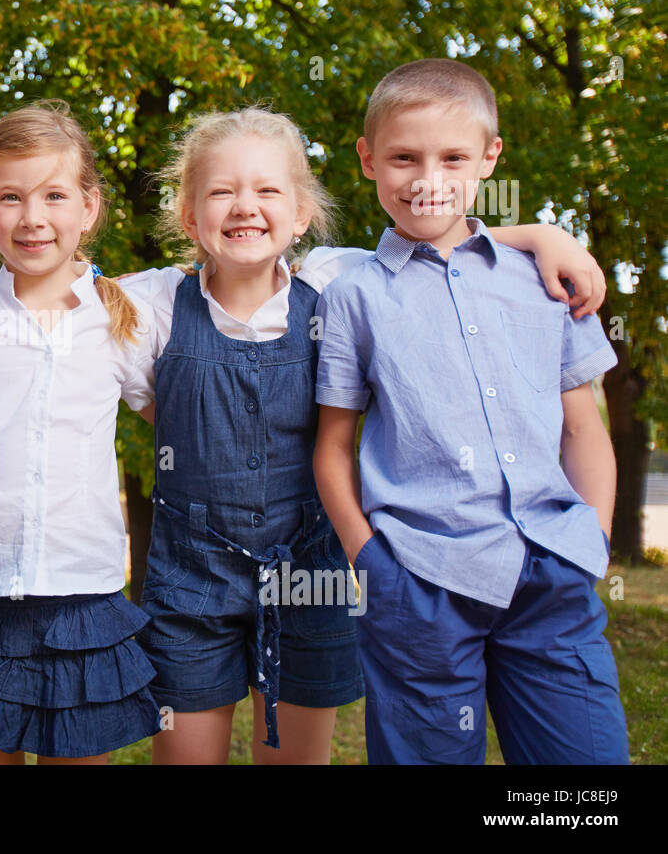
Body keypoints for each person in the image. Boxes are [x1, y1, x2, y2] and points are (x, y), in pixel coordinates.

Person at [121, 105, 606, 764]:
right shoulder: (146, 306)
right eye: (220, 192)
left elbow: (443, 237)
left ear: (301, 214)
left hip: (310, 569)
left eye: (268, 190)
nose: (244, 206)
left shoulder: (340, 280)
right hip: (192, 579)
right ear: (188, 214)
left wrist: (542, 234)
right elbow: (62, 300)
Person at [314, 58, 628, 764]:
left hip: (553, 573)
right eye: (403, 157)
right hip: (420, 580)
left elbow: (584, 427)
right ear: (367, 161)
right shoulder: (352, 293)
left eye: (453, 157)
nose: (428, 179)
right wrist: (373, 563)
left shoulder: (545, 279)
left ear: (489, 159)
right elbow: (333, 445)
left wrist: (593, 542)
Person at [0, 102, 161, 764]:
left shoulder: (123, 321)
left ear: (88, 207)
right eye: (11, 198)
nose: (33, 218)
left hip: (84, 597)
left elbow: (185, 420)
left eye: (55, 195)